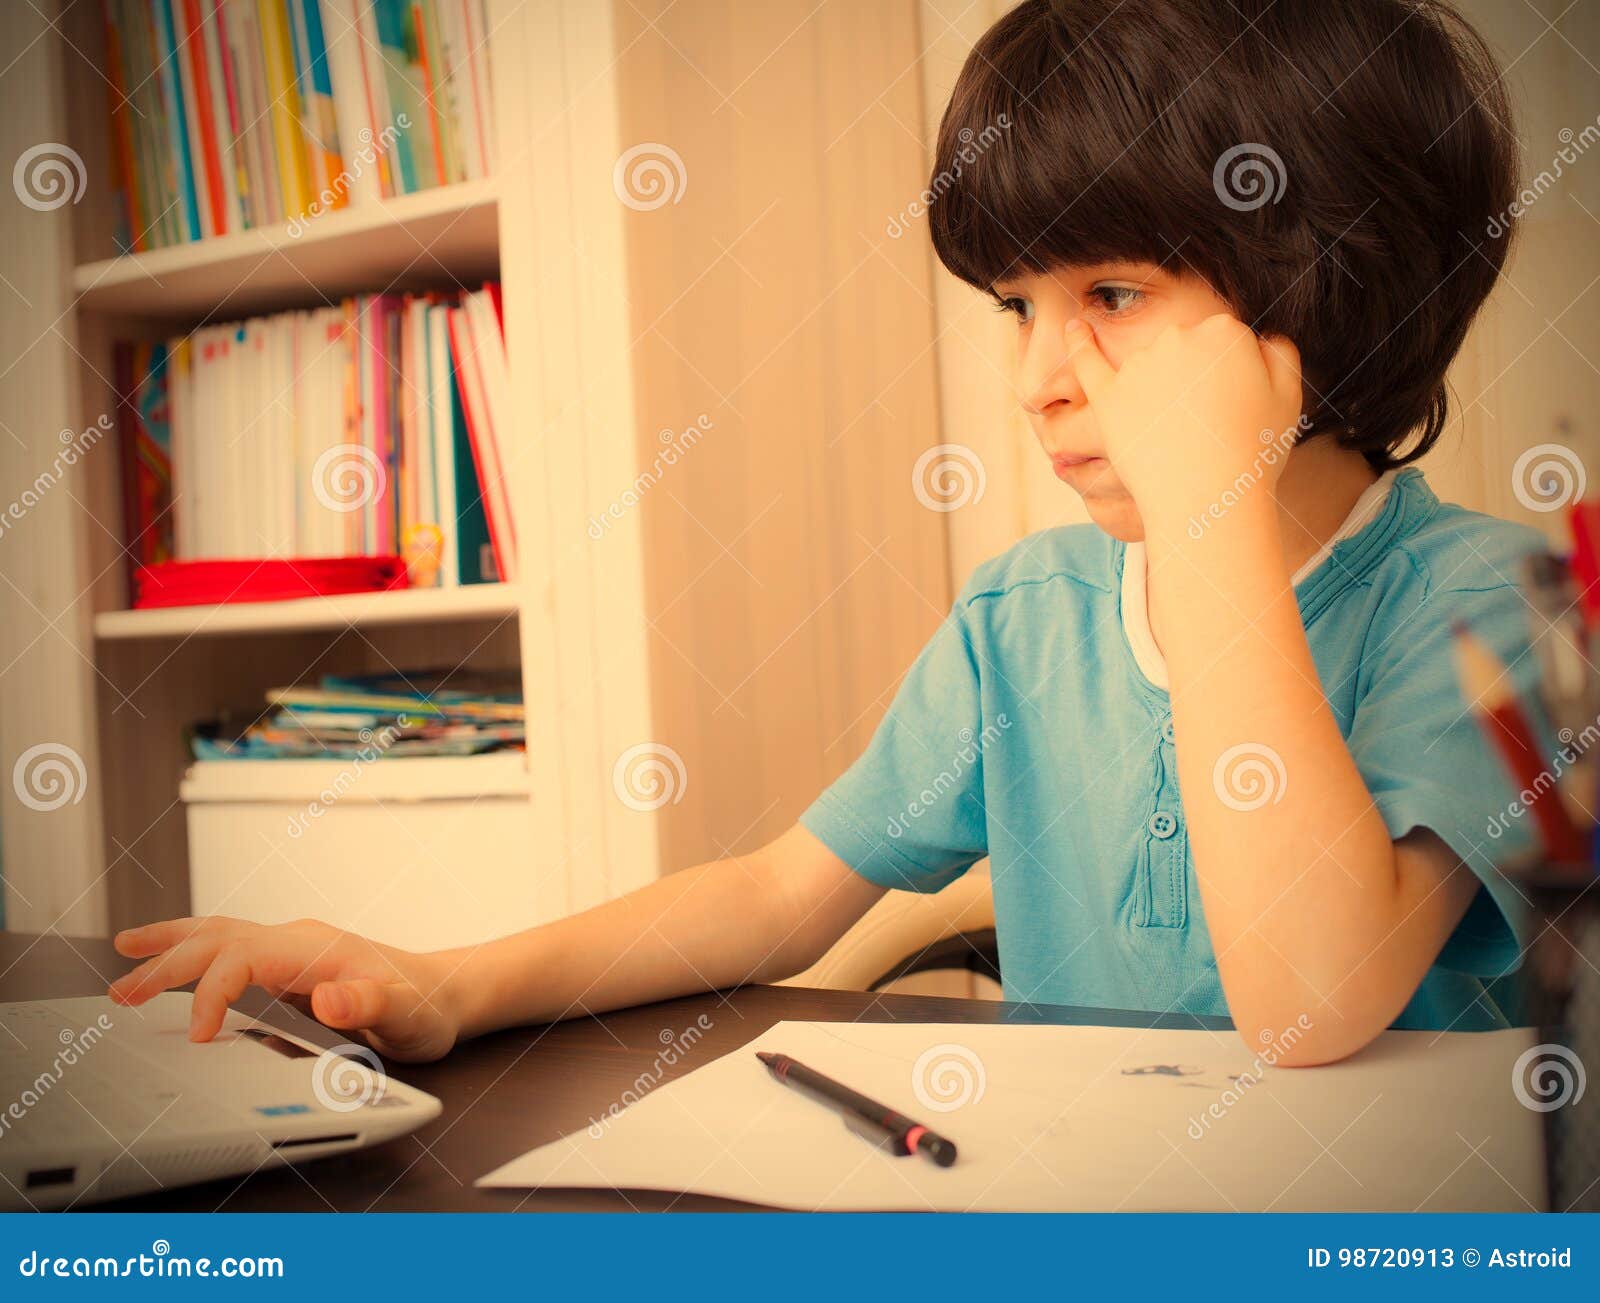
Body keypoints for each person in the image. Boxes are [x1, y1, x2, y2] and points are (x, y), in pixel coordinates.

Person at [111, 0, 1545, 1068]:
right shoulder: (1027, 614)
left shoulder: (1488, 606)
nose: (1036, 378)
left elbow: (1313, 999)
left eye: (1111, 296)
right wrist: (447, 981)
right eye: (1016, 309)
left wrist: (1214, 519)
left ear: (1320, 284)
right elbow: (781, 892)